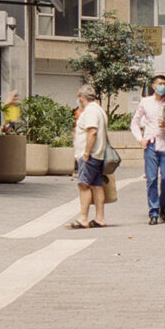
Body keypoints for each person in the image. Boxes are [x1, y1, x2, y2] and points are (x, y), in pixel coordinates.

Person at [131, 74, 165, 225]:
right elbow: (135, 122)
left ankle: (162, 206)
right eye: (160, 84)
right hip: (151, 144)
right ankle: (153, 211)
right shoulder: (145, 102)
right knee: (151, 179)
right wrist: (140, 139)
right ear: (153, 86)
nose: (163, 86)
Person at [70, 85, 109, 229]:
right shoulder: (99, 110)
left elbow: (92, 131)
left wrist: (86, 153)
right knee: (96, 185)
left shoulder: (91, 111)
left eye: (79, 97)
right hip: (98, 154)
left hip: (90, 155)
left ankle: (83, 218)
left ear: (82, 96)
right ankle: (100, 218)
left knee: (84, 185)